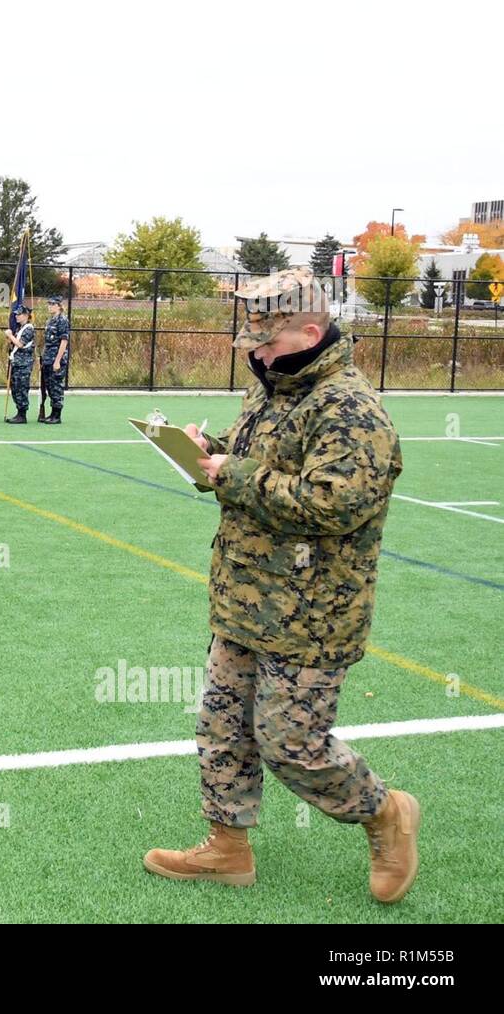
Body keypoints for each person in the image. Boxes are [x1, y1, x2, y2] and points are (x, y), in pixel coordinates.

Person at [143, 267, 417, 904]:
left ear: (310, 332)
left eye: (265, 343)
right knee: (222, 726)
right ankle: (226, 848)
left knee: (292, 744)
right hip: (243, 596)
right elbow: (254, 464)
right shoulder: (274, 388)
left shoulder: (351, 411)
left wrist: (229, 473)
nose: (256, 354)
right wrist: (202, 452)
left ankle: (385, 814)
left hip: (313, 613)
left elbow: (332, 506)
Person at [39, 294, 69, 424]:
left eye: (52, 304)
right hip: (48, 358)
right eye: (49, 304)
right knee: (50, 386)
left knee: (56, 386)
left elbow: (63, 341)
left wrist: (57, 360)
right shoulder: (50, 320)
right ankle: (52, 413)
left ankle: (57, 415)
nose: (49, 306)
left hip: (56, 358)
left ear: (59, 306)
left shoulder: (62, 320)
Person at [4, 304, 35, 424]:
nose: (16, 316)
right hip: (17, 362)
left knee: (21, 388)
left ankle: (22, 414)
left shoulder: (28, 329)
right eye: (16, 314)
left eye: (19, 314)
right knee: (15, 388)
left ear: (26, 315)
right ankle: (18, 411)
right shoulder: (19, 328)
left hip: (23, 363)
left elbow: (20, 344)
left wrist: (10, 336)